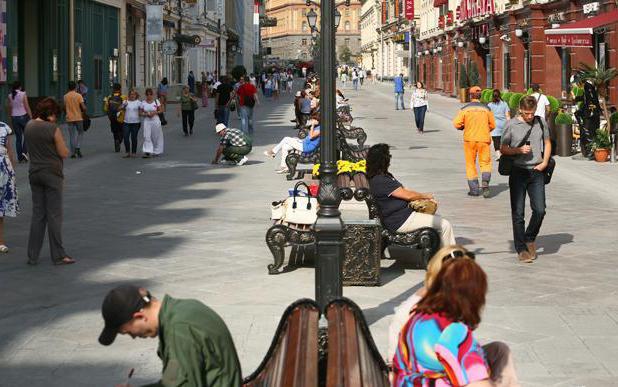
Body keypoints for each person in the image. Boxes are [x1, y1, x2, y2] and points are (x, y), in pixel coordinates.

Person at [392, 258, 520, 387]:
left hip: (407, 381)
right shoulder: (453, 331)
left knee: (498, 349)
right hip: (432, 382)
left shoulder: (420, 313)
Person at [98, 285, 242, 387]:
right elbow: (174, 381)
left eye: (128, 332)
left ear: (140, 316)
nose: (133, 337)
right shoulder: (181, 310)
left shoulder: (179, 331)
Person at [387, 245, 475, 360]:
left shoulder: (435, 295)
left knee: (499, 350)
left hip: (432, 360)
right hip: (421, 368)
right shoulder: (427, 307)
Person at [367, 143, 455, 247]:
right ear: (383, 161)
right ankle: (449, 259)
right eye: (388, 157)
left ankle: (438, 253)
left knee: (438, 220)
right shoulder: (381, 180)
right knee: (444, 225)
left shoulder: (380, 177)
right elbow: (407, 195)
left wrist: (422, 200)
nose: (390, 160)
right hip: (401, 220)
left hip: (402, 216)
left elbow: (405, 191)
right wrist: (426, 196)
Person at [500, 96, 552, 264]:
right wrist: (518, 150)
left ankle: (529, 237)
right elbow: (503, 148)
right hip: (518, 172)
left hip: (536, 170)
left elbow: (547, 142)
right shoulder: (511, 124)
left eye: (533, 113)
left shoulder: (540, 122)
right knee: (518, 213)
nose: (530, 116)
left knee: (540, 209)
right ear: (520, 110)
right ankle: (521, 248)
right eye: (527, 113)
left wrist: (544, 162)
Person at [23, 98, 74, 266]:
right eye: (55, 114)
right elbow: (63, 152)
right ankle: (59, 255)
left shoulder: (29, 126)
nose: (56, 118)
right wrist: (65, 147)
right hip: (52, 174)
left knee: (38, 215)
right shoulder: (52, 128)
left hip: (34, 173)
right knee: (54, 215)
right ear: (50, 113)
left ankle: (32, 255)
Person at [453, 86, 496, 198]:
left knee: (471, 164)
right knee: (485, 163)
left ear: (470, 95)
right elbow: (493, 125)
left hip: (470, 140)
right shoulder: (487, 109)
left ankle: (474, 190)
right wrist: (486, 130)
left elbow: (456, 123)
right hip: (484, 139)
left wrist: (463, 127)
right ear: (480, 96)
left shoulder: (465, 109)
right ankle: (485, 182)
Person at [0, 121, 19, 253]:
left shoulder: (4, 127)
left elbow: (10, 150)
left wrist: (12, 170)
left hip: (3, 169)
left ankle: (0, 241)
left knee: (0, 208)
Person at [7, 81, 33, 163]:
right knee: (27, 135)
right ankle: (24, 153)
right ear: (20, 87)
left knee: (18, 138)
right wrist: (31, 116)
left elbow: (10, 108)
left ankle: (19, 157)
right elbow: (26, 106)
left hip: (14, 117)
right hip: (23, 116)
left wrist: (10, 118)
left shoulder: (10, 96)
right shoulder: (23, 94)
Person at [63, 81, 86, 159]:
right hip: (78, 117)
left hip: (69, 118)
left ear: (68, 87)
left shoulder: (65, 96)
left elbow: (64, 107)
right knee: (80, 132)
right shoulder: (79, 96)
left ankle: (73, 153)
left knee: (72, 135)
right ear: (75, 87)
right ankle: (78, 147)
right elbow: (83, 107)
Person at [140, 88, 165, 158]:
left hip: (155, 120)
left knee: (156, 135)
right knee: (146, 135)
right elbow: (140, 113)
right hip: (147, 120)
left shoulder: (156, 101)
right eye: (147, 94)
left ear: (152, 95)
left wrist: (155, 112)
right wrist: (145, 114)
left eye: (150, 94)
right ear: (146, 95)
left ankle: (157, 150)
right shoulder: (143, 103)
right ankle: (148, 151)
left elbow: (161, 110)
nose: (149, 96)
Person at [488, 89, 511, 158]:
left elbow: (488, 116)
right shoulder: (504, 104)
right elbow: (507, 115)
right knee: (503, 140)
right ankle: (504, 153)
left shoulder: (490, 105)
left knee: (496, 140)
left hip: (494, 125)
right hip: (503, 124)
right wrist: (509, 124)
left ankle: (498, 155)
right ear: (500, 95)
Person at [104, 83, 126, 152]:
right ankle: (119, 140)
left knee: (115, 131)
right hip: (121, 117)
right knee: (122, 130)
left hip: (112, 117)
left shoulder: (109, 97)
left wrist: (109, 115)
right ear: (120, 89)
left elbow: (105, 108)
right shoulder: (124, 97)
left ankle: (116, 140)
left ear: (113, 89)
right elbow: (126, 106)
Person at [121, 89, 142, 158]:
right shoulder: (125, 101)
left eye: (134, 94)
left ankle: (133, 152)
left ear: (136, 95)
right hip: (126, 122)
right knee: (126, 137)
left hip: (136, 122)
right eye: (131, 94)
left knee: (134, 137)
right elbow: (119, 108)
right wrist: (124, 105)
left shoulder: (138, 102)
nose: (132, 95)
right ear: (129, 95)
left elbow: (143, 110)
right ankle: (127, 152)